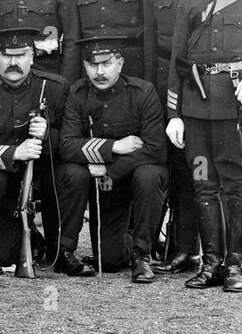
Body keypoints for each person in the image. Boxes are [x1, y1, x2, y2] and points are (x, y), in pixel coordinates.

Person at [165, 0, 242, 292]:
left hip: (236, 106)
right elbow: (177, 61)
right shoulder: (190, 3)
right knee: (203, 185)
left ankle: (236, 264)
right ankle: (211, 262)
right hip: (197, 107)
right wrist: (174, 113)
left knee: (234, 186)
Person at [0, 27, 69, 271]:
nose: (13, 63)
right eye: (7, 56)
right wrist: (15, 153)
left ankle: (60, 248)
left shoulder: (55, 88)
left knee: (65, 175)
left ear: (32, 57)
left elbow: (69, 143)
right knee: (3, 256)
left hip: (35, 182)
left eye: (20, 56)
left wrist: (48, 133)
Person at [59, 35, 168, 282]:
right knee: (108, 261)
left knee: (149, 174)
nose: (99, 72)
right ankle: (71, 250)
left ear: (120, 63)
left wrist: (110, 170)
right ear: (84, 66)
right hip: (104, 189)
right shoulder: (77, 94)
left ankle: (143, 256)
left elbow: (155, 148)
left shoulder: (142, 92)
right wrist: (115, 147)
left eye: (106, 64)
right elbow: (67, 146)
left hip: (133, 178)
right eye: (92, 65)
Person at [140, 0, 209, 273]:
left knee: (192, 168)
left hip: (198, 84)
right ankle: (155, 244)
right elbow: (151, 45)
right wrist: (152, 93)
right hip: (163, 84)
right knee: (161, 161)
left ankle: (189, 247)